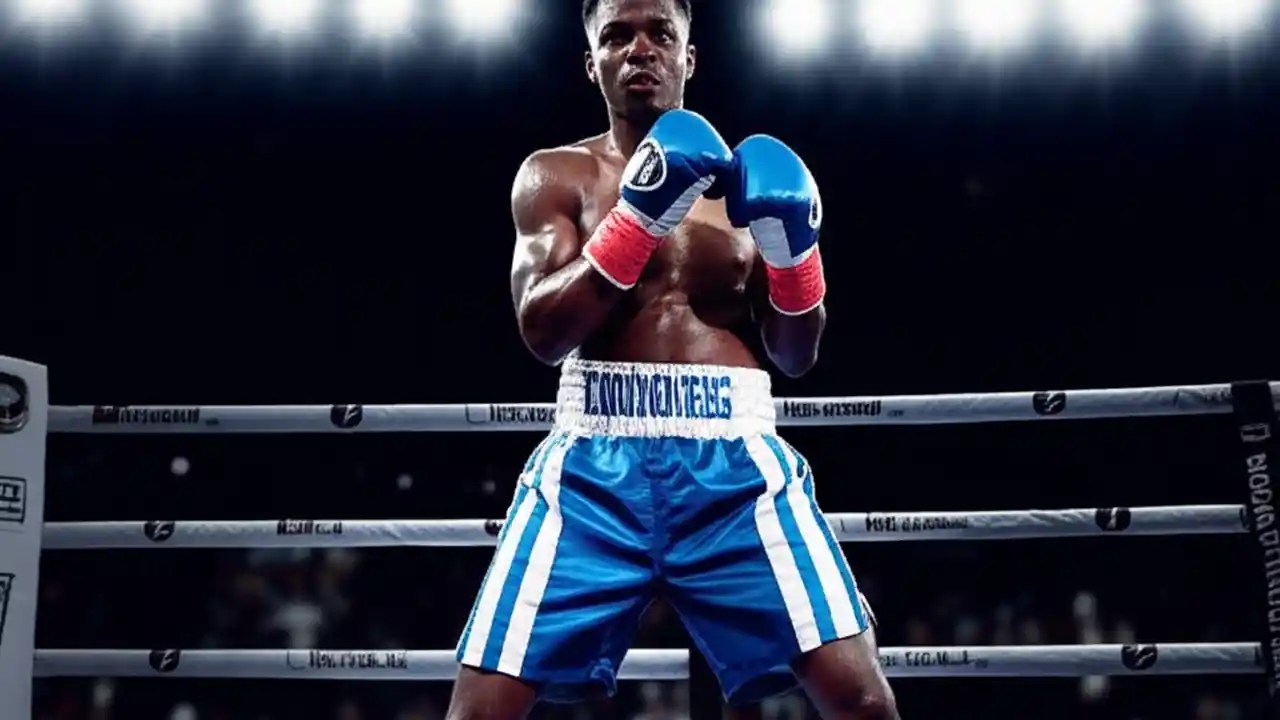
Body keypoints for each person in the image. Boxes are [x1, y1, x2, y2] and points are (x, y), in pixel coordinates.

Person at [447, 1, 899, 718]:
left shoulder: (743, 189)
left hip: (737, 467)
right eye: (616, 37)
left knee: (863, 698)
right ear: (590, 61)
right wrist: (639, 218)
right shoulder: (554, 176)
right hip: (595, 464)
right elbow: (542, 332)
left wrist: (794, 256)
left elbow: (796, 353)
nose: (640, 51)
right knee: (478, 710)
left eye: (661, 33)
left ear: (690, 57)